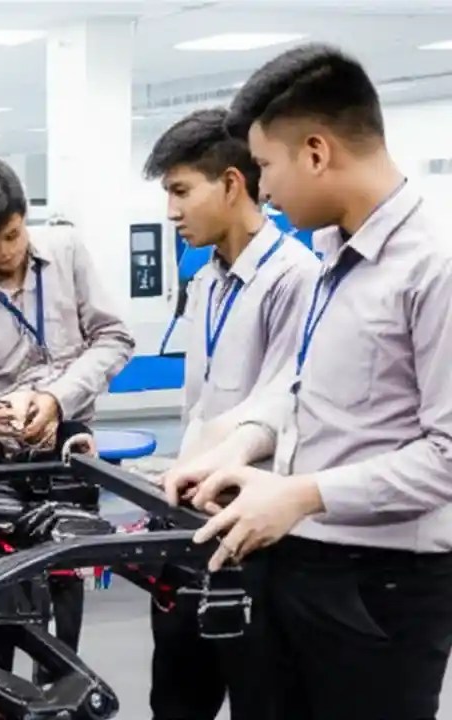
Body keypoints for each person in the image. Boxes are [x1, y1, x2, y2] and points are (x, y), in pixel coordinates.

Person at [163, 43, 452, 720]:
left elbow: (447, 457)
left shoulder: (433, 266)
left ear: (316, 152)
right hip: (298, 563)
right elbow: (300, 389)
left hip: (382, 589)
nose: (262, 190)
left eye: (265, 166)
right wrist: (238, 449)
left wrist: (301, 494)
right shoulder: (330, 255)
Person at [0, 152, 133, 667]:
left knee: (65, 593)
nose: (4, 253)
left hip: (70, 447)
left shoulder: (67, 251)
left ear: (24, 215)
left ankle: (60, 688)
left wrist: (58, 398)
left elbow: (114, 338)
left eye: (12, 235)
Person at [141, 107, 318, 720]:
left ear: (233, 184)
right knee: (176, 701)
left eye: (181, 191)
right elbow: (201, 408)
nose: (172, 211)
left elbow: (284, 407)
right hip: (193, 527)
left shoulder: (296, 279)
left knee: (260, 701)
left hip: (258, 543)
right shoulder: (208, 281)